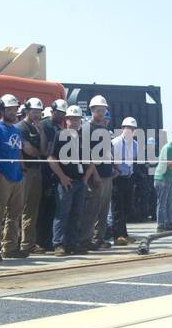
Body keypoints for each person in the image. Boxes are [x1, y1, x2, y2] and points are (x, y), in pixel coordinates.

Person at [0, 94, 25, 261]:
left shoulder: (17, 130)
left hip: (17, 177)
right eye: (9, 109)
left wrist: (22, 170)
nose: (13, 112)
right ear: (2, 110)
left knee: (15, 214)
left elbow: (19, 151)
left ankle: (10, 247)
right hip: (3, 178)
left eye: (15, 109)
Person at [48, 104, 91, 256]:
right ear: (66, 120)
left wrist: (86, 178)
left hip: (80, 181)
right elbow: (51, 158)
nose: (74, 122)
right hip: (66, 181)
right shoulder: (60, 135)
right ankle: (58, 244)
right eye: (71, 119)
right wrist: (62, 177)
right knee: (62, 213)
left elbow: (91, 160)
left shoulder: (84, 138)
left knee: (76, 213)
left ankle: (73, 243)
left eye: (77, 119)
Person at [79, 95, 115, 251]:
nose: (101, 113)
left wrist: (113, 168)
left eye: (103, 110)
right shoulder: (86, 129)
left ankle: (99, 238)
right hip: (96, 175)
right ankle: (86, 239)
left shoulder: (104, 129)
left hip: (107, 174)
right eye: (98, 110)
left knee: (103, 209)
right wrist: (95, 175)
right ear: (92, 110)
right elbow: (86, 155)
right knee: (92, 209)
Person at [35, 100, 66, 252]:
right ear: (52, 111)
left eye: (63, 114)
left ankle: (47, 240)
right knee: (42, 208)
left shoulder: (58, 127)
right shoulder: (44, 125)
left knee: (51, 208)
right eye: (59, 113)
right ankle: (40, 240)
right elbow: (45, 151)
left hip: (53, 172)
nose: (61, 116)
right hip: (44, 171)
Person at [18, 97, 47, 254]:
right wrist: (37, 153)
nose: (37, 115)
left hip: (36, 170)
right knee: (19, 208)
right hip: (26, 171)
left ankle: (28, 243)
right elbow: (27, 150)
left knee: (32, 208)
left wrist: (41, 133)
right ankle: (14, 242)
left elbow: (42, 152)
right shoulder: (21, 127)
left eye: (39, 112)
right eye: (34, 111)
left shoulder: (37, 128)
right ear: (27, 111)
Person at [110, 117, 139, 246]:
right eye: (127, 128)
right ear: (122, 128)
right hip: (117, 178)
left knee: (127, 207)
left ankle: (124, 234)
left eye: (132, 128)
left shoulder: (135, 144)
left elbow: (132, 162)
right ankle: (118, 236)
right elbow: (110, 159)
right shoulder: (115, 142)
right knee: (117, 207)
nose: (130, 130)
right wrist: (114, 172)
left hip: (128, 178)